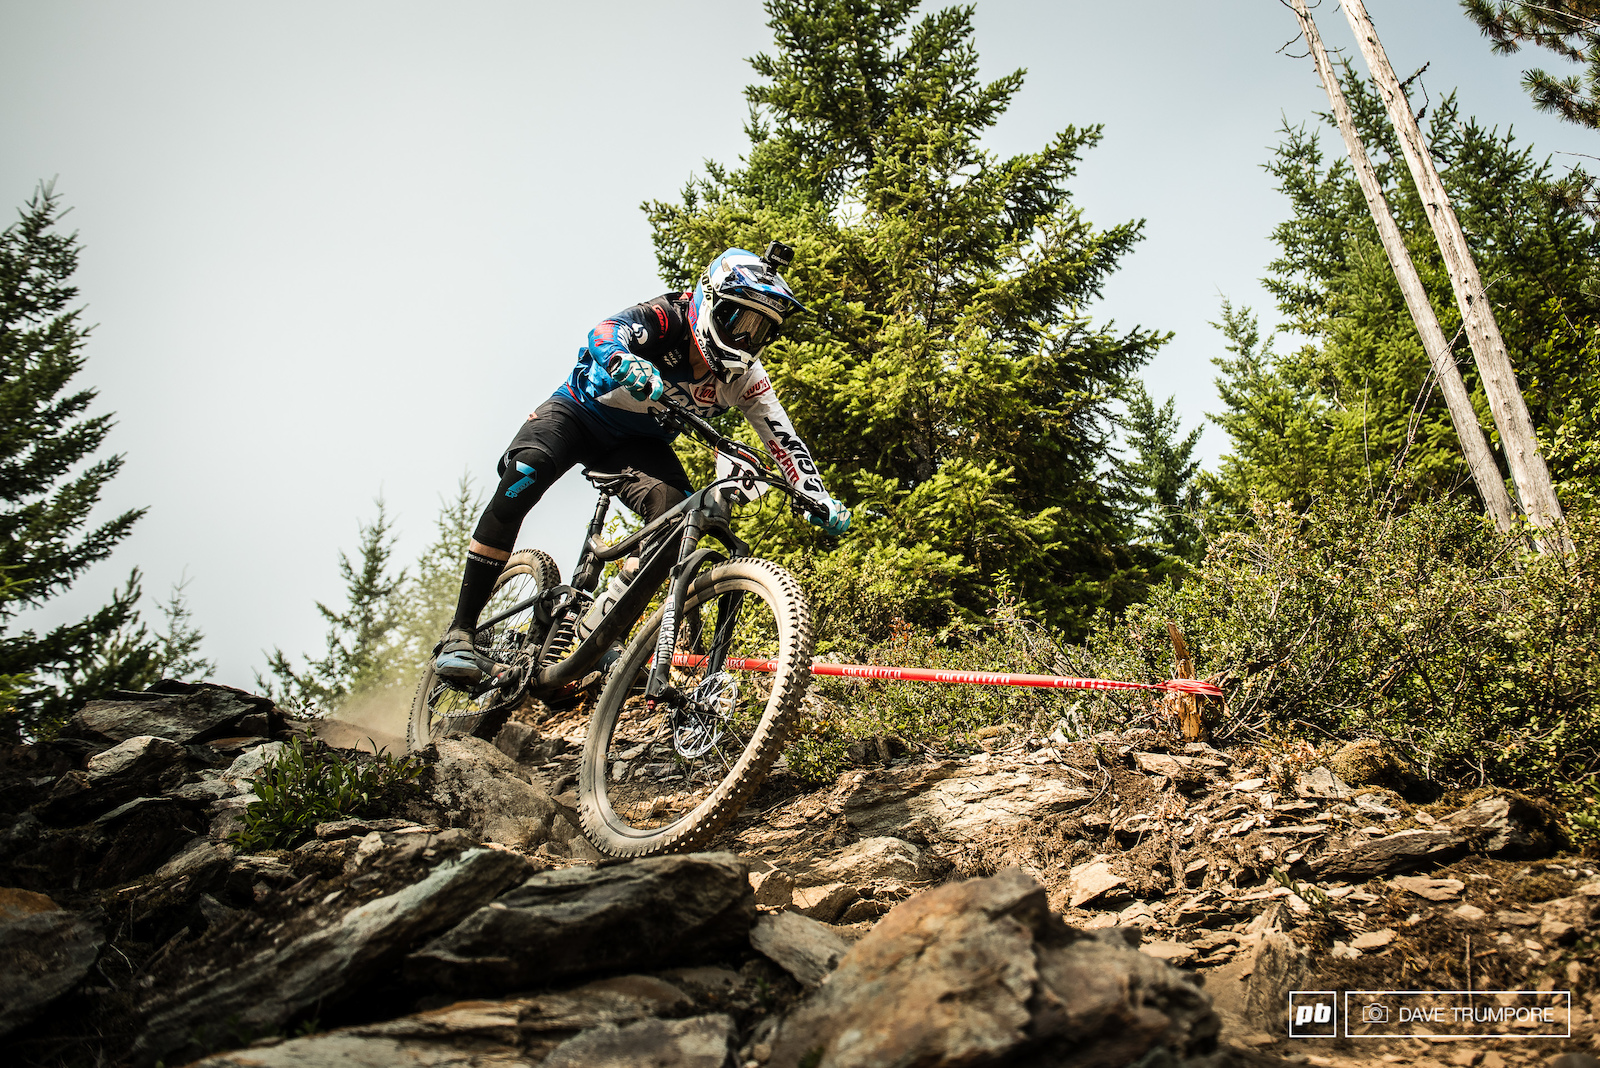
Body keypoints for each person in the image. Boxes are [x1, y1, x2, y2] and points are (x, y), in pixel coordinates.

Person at [433, 243, 851, 684]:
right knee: (526, 474)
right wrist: (622, 359)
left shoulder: (747, 378)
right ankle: (460, 632)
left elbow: (783, 439)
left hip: (637, 443)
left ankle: (598, 628)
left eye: (760, 329)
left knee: (678, 518)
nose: (746, 340)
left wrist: (815, 494)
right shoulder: (669, 316)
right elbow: (605, 331)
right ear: (710, 302)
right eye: (739, 322)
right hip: (577, 412)